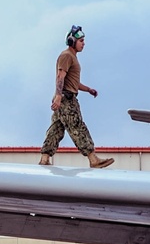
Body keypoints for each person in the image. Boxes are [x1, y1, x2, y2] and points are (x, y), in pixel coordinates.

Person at [39, 25, 114, 166]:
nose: (83, 43)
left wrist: (88, 89)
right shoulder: (66, 56)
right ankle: (93, 159)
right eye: (81, 41)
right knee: (77, 127)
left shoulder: (72, 57)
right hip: (66, 99)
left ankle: (44, 159)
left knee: (56, 129)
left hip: (64, 97)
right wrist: (59, 96)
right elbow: (60, 77)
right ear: (72, 41)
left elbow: (73, 82)